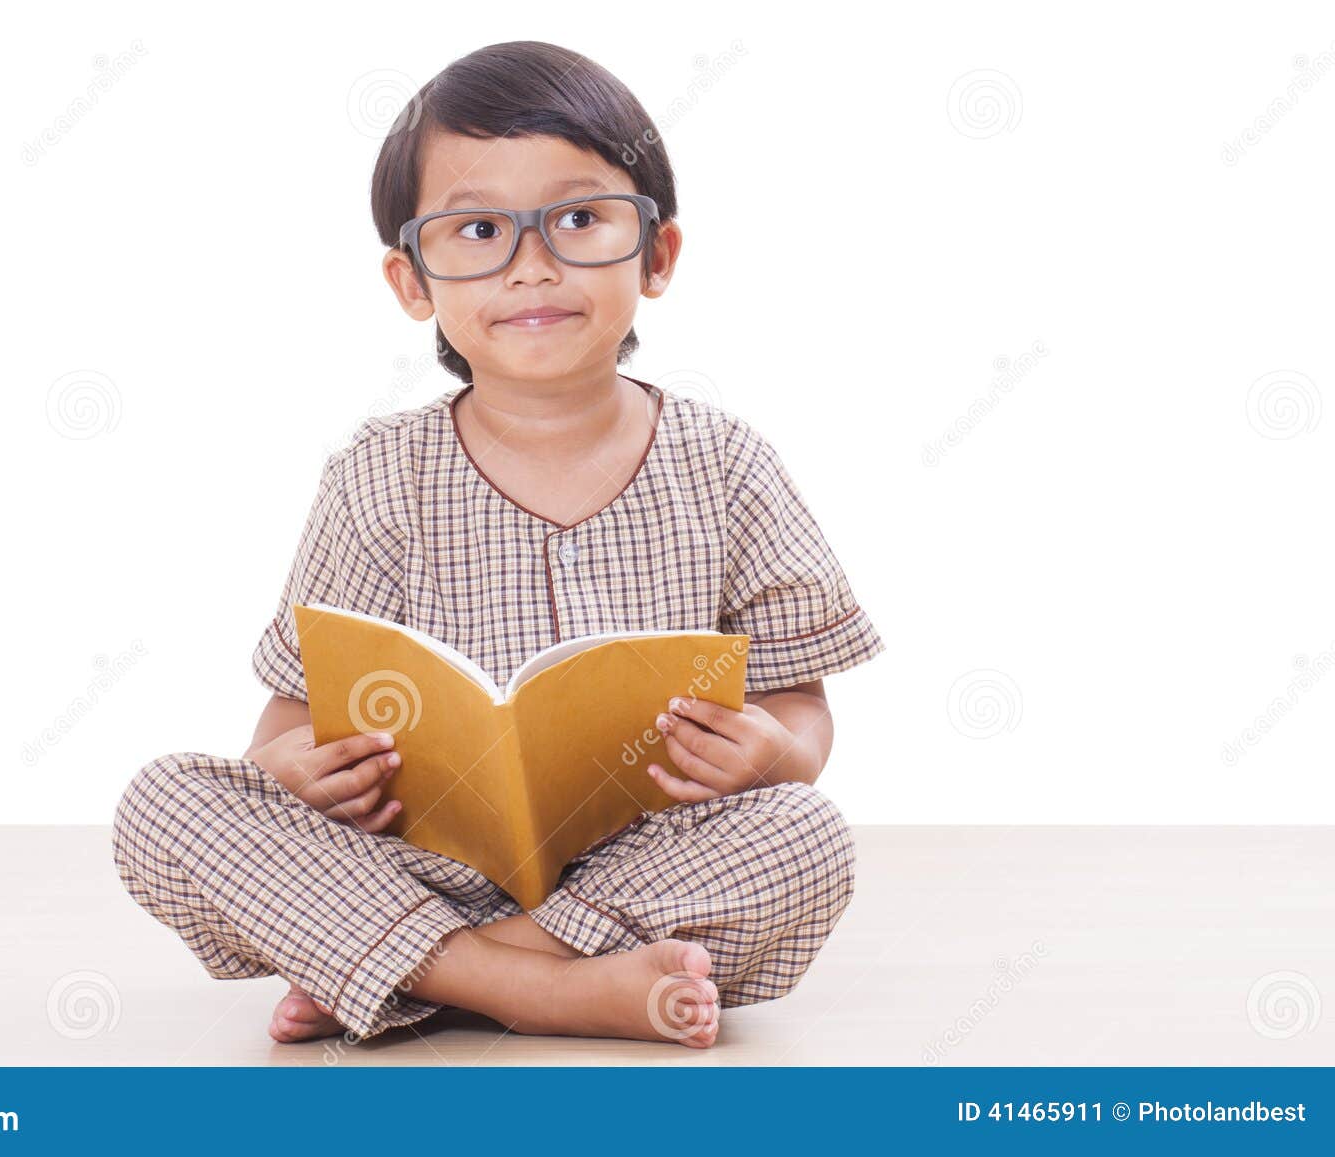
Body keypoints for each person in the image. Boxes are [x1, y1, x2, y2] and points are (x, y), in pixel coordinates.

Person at [113, 40, 885, 1050]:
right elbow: (285, 723)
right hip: (413, 861)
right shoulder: (380, 473)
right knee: (165, 803)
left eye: (578, 219)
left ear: (656, 255)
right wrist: (295, 769)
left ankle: (412, 975)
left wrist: (776, 751)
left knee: (804, 838)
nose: (532, 262)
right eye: (477, 228)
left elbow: (800, 709)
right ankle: (548, 987)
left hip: (647, 864)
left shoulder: (728, 465)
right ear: (411, 279)